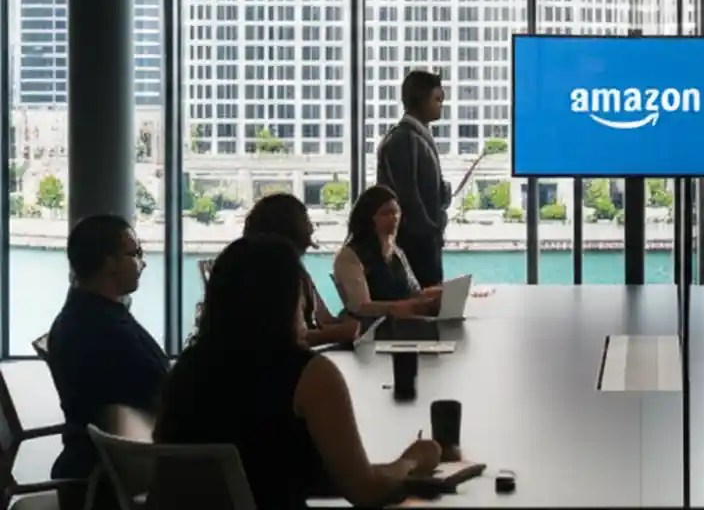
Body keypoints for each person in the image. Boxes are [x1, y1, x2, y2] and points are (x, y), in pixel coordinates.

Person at [155, 235, 442, 509]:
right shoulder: (309, 375)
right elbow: (365, 490)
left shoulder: (185, 370)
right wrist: (413, 460)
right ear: (292, 298)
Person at [48, 215, 168, 510]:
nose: (143, 263)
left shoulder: (84, 315)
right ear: (109, 263)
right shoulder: (106, 332)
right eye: (135, 253)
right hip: (113, 485)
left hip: (92, 471)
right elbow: (164, 393)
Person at [243, 193, 359, 347]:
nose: (312, 229)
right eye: (306, 220)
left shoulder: (298, 271)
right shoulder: (273, 276)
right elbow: (290, 338)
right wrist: (339, 332)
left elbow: (324, 319)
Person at [377, 70, 451, 289]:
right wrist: (431, 232)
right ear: (420, 100)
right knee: (424, 298)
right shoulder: (403, 139)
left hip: (422, 240)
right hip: (415, 244)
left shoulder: (414, 136)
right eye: (437, 99)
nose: (441, 105)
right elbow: (407, 196)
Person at [334, 185, 442, 317]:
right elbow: (361, 306)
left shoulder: (397, 252)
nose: (394, 217)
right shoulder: (349, 256)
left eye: (396, 212)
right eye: (385, 213)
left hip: (403, 322)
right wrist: (404, 307)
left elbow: (413, 292)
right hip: (370, 325)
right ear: (368, 218)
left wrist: (439, 293)